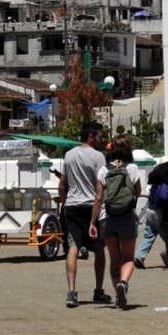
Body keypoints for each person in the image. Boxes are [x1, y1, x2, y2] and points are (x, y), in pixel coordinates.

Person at [59, 122, 111, 309]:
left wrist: (65, 204)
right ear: (91, 136)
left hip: (72, 206)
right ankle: (98, 290)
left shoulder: (68, 155)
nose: (101, 139)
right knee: (99, 249)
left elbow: (62, 184)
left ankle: (72, 292)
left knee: (73, 247)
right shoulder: (98, 157)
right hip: (91, 207)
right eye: (99, 136)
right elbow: (100, 188)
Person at [90, 136, 142, 309]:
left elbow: (98, 199)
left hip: (108, 218)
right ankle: (123, 283)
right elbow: (138, 191)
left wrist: (92, 222)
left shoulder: (104, 170)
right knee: (128, 258)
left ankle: (118, 295)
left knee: (114, 259)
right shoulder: (133, 168)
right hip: (127, 217)